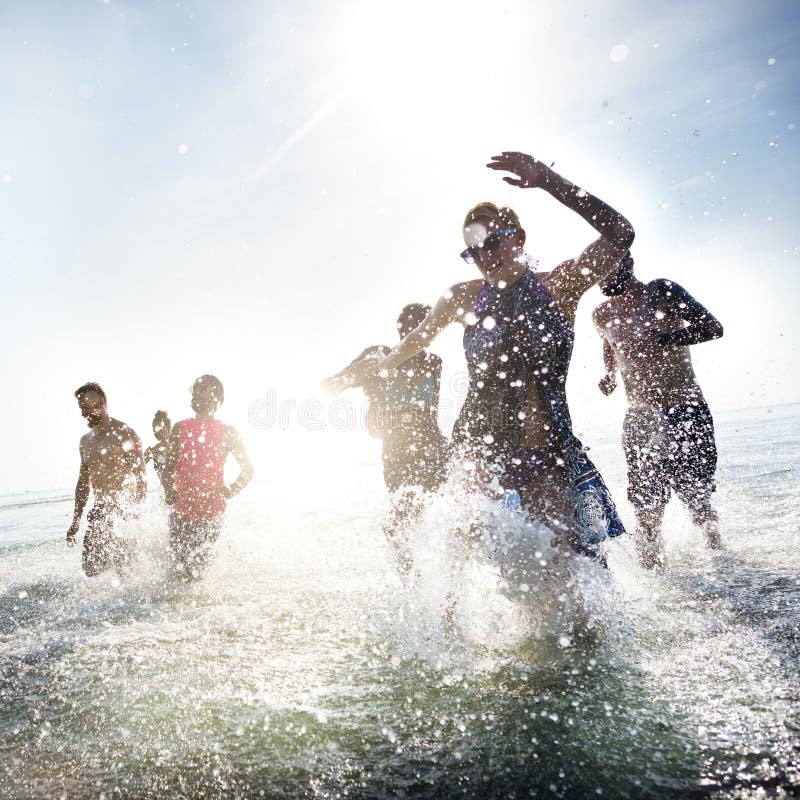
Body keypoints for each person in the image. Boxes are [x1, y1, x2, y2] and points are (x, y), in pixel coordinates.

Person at [376, 151, 635, 561]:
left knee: (570, 572)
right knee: (469, 569)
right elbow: (415, 341)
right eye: (474, 252)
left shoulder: (559, 287)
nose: (484, 258)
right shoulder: (463, 297)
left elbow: (621, 234)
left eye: (492, 243)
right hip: (478, 452)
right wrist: (383, 364)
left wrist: (549, 180)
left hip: (545, 450)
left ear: (518, 238)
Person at [592, 251, 724, 568]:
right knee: (646, 510)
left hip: (684, 409)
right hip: (639, 417)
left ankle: (721, 561)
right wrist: (609, 373)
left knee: (698, 503)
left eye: (607, 270)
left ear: (628, 265)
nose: (601, 279)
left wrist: (665, 337)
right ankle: (654, 582)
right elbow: (609, 345)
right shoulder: (600, 314)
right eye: (598, 273)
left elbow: (712, 327)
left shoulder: (661, 291)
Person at [322, 303, 449, 573]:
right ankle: (413, 581)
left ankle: (440, 586)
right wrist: (359, 374)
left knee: (446, 512)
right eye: (409, 327)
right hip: (397, 452)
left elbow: (431, 414)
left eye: (423, 328)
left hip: (431, 447)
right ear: (400, 330)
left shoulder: (434, 363)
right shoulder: (378, 355)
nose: (415, 333)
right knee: (399, 523)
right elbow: (330, 386)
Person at [162, 375, 254, 578]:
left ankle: (199, 607)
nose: (197, 394)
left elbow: (248, 470)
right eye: (195, 390)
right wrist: (169, 490)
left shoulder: (228, 431)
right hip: (181, 511)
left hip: (211, 513)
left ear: (217, 398)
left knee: (196, 570)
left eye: (203, 390)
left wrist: (232, 489)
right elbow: (167, 468)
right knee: (178, 570)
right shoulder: (179, 428)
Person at [66, 382, 146, 577]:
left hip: (123, 510)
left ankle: (130, 599)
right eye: (81, 409)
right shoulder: (85, 441)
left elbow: (141, 476)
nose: (83, 414)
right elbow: (83, 483)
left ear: (100, 402)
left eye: (85, 408)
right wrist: (76, 520)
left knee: (125, 570)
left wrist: (136, 511)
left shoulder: (124, 432)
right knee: (90, 568)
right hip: (100, 509)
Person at [144, 410, 171, 493]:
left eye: (161, 427)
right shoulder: (153, 450)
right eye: (155, 428)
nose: (158, 431)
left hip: (175, 490)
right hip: (167, 491)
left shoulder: (176, 446)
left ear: (168, 427)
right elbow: (139, 466)